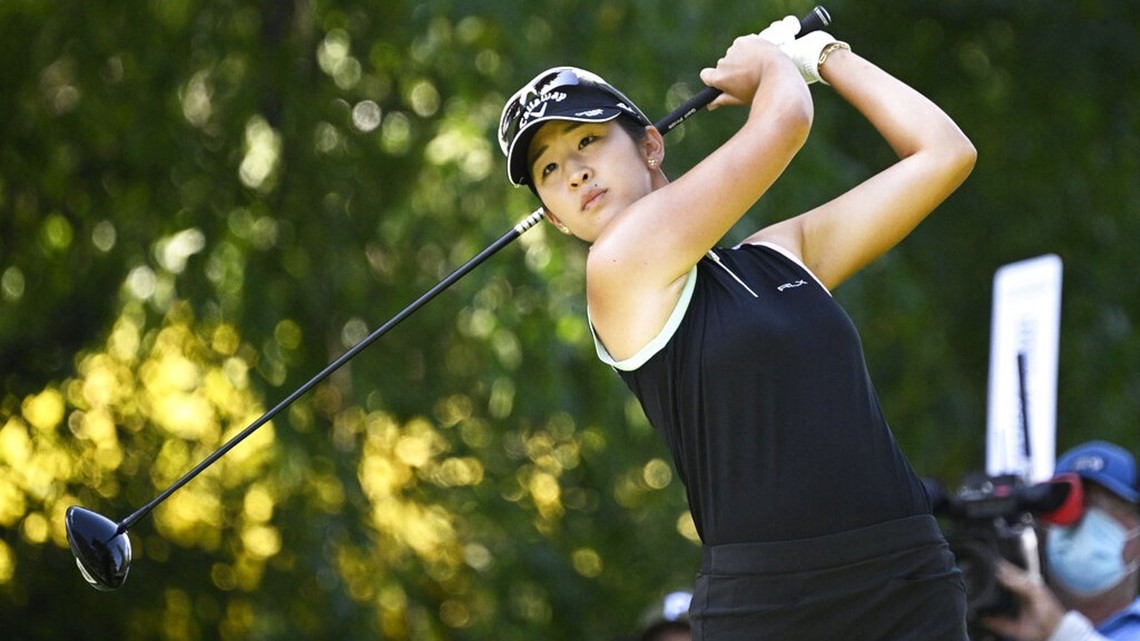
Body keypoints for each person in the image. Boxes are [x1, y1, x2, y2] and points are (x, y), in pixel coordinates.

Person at [497, 16, 976, 640]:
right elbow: (786, 122)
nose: (575, 173)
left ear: (650, 144)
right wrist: (770, 65)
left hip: (907, 579)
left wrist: (822, 55)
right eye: (549, 170)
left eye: (585, 141)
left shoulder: (778, 255)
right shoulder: (615, 270)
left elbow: (944, 153)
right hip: (772, 610)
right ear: (555, 220)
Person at [984, 441, 1140, 641]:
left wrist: (1062, 633)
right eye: (1065, 506)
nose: (1082, 520)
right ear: (1043, 531)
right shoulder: (1007, 627)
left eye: (1106, 505)